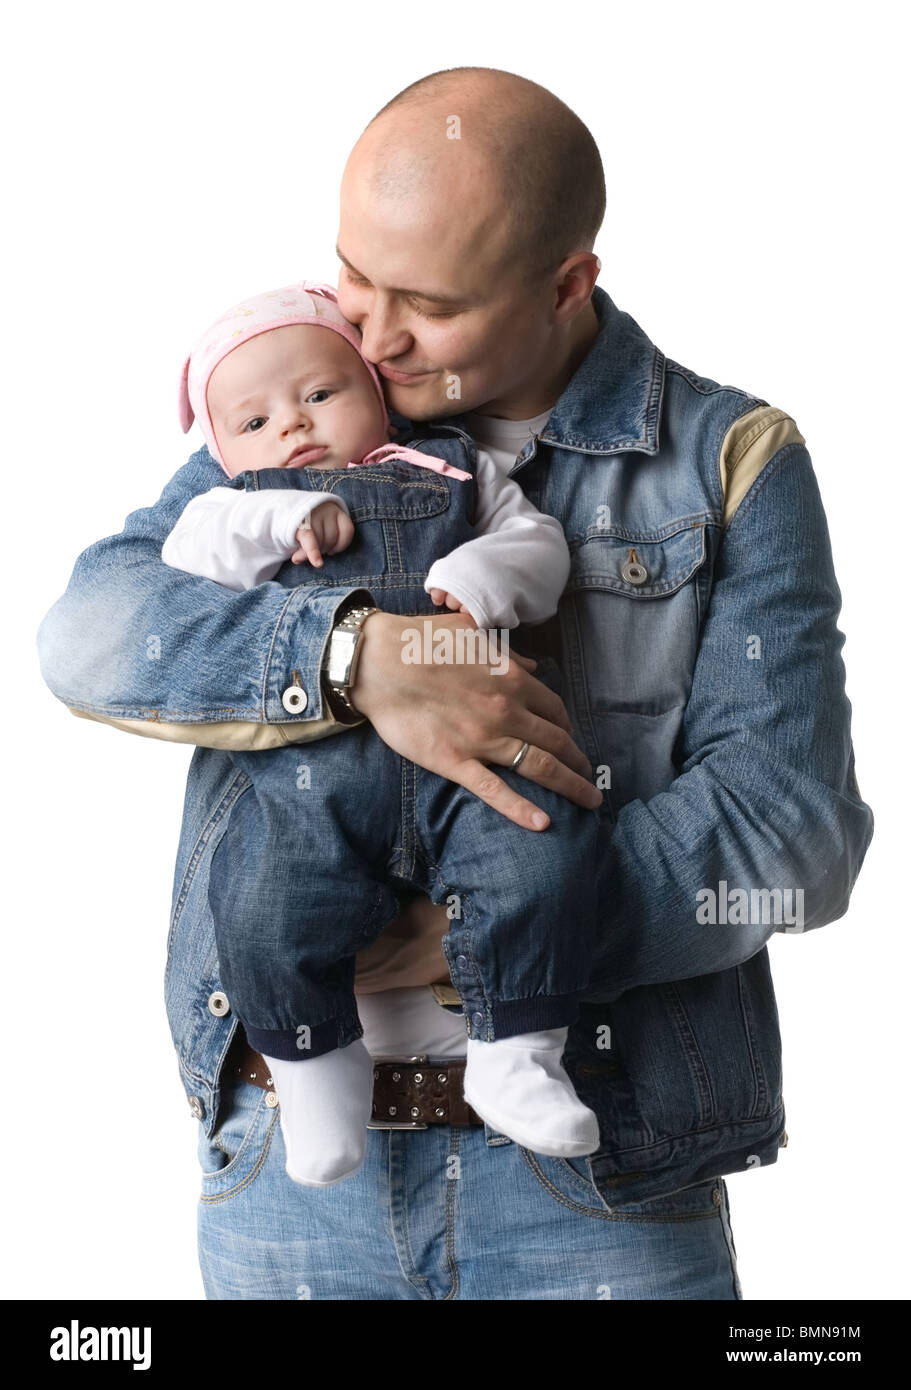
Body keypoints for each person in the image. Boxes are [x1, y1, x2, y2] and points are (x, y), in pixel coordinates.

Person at [36, 66, 874, 1300]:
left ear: (563, 284)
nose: (370, 334)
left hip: (601, 1178)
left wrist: (486, 935)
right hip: (287, 1167)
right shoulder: (303, 408)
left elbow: (792, 841)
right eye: (355, 275)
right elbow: (92, 631)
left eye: (425, 305)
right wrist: (356, 656)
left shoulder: (726, 459)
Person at [159, 276, 603, 1186]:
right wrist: (275, 516)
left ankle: (516, 1054)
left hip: (466, 766)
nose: (293, 426)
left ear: (373, 387)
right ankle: (316, 1072)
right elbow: (183, 562)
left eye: (320, 393)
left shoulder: (452, 467)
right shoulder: (227, 505)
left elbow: (540, 545)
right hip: (309, 785)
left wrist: (482, 582)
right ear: (222, 452)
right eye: (253, 422)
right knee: (258, 904)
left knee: (540, 852)